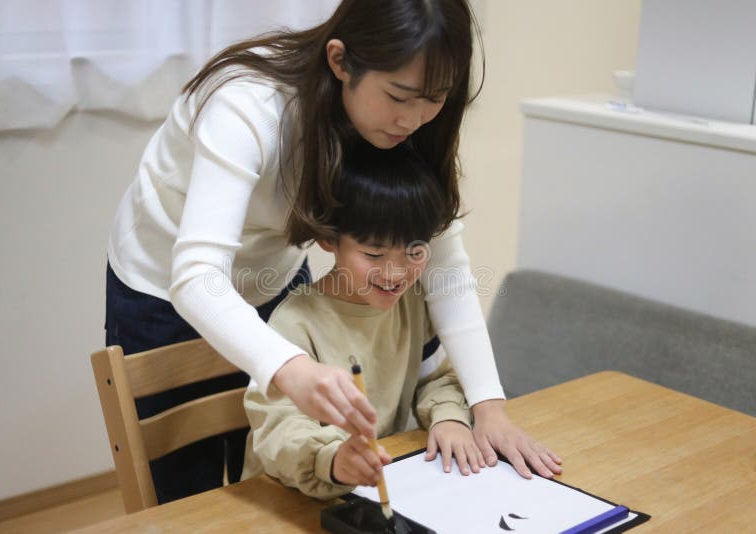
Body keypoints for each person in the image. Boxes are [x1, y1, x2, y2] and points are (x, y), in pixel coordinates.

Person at [105, 0, 560, 503]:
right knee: (189, 495)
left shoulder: (398, 124)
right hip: (166, 279)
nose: (414, 118)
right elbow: (195, 278)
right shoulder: (248, 107)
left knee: (279, 480)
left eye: (435, 98)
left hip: (272, 272)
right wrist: (293, 369)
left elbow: (447, 270)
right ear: (341, 61)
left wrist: (489, 407)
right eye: (400, 96)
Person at [243, 141, 483, 499]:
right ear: (328, 239)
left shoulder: (414, 302)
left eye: (415, 252)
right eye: (374, 253)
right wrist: (333, 459)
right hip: (291, 499)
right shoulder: (296, 322)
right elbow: (280, 428)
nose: (395, 272)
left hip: (379, 486)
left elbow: (437, 379)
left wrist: (448, 416)